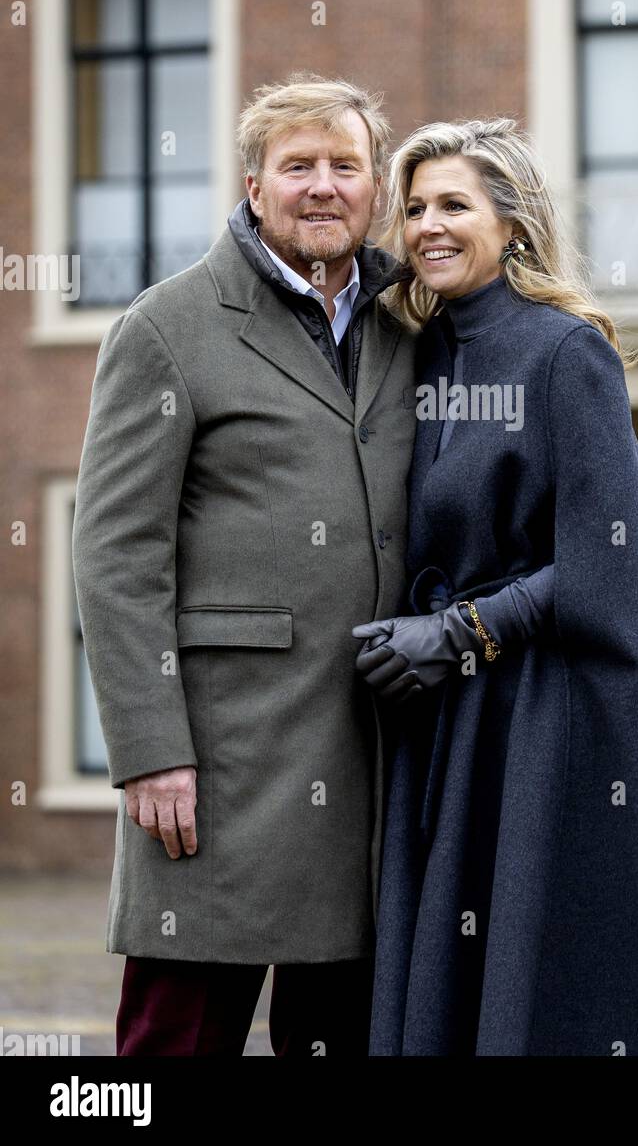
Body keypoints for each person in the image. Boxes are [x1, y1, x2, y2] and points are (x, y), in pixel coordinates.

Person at [352, 118, 638, 1056]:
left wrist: (461, 632)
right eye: (416, 207)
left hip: (549, 717)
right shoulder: (412, 357)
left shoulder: (566, 353)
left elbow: (613, 557)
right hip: (442, 721)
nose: (429, 225)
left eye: (455, 205)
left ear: (511, 224)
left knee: (548, 985)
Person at [72, 73, 416, 1056]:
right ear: (254, 186)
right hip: (220, 770)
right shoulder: (167, 327)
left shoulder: (412, 323)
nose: (322, 186)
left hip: (372, 770)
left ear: (375, 186)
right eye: (297, 165)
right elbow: (114, 553)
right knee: (175, 1041)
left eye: (343, 165)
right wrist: (147, 748)